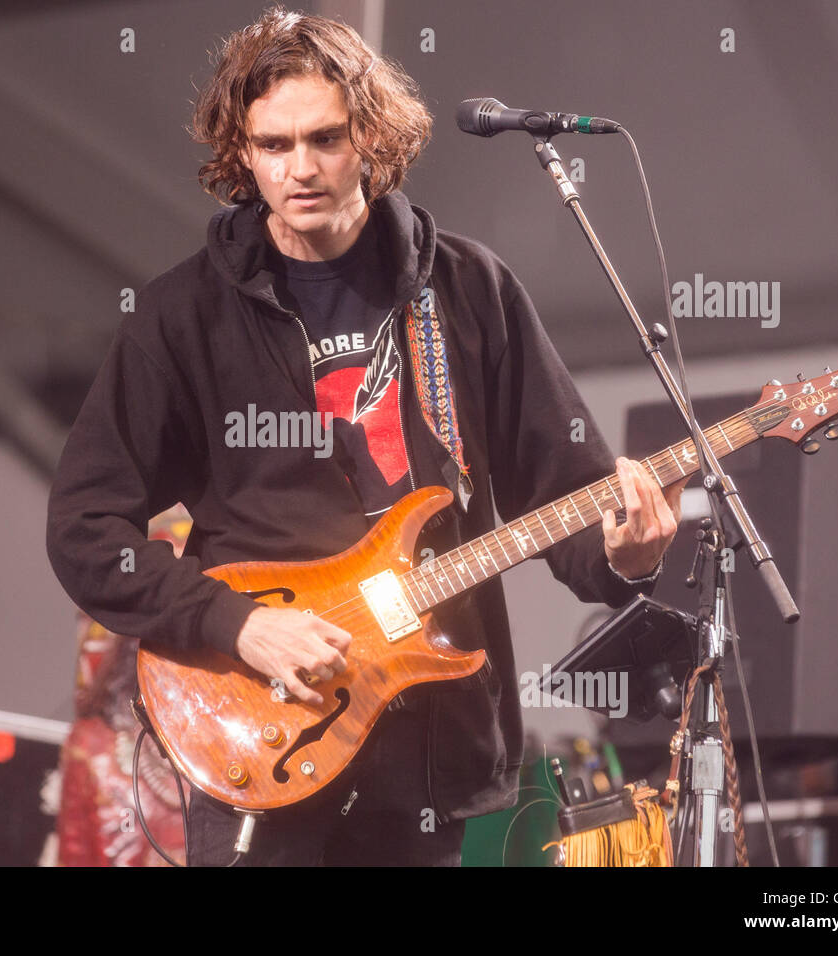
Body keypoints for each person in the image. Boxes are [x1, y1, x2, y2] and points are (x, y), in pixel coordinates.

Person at [46, 5, 686, 866]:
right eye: (274, 146)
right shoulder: (182, 316)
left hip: (427, 751)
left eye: (326, 139)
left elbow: (565, 494)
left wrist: (629, 556)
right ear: (241, 153)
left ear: (373, 139)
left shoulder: (467, 290)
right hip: (257, 731)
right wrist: (236, 625)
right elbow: (85, 529)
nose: (300, 169)